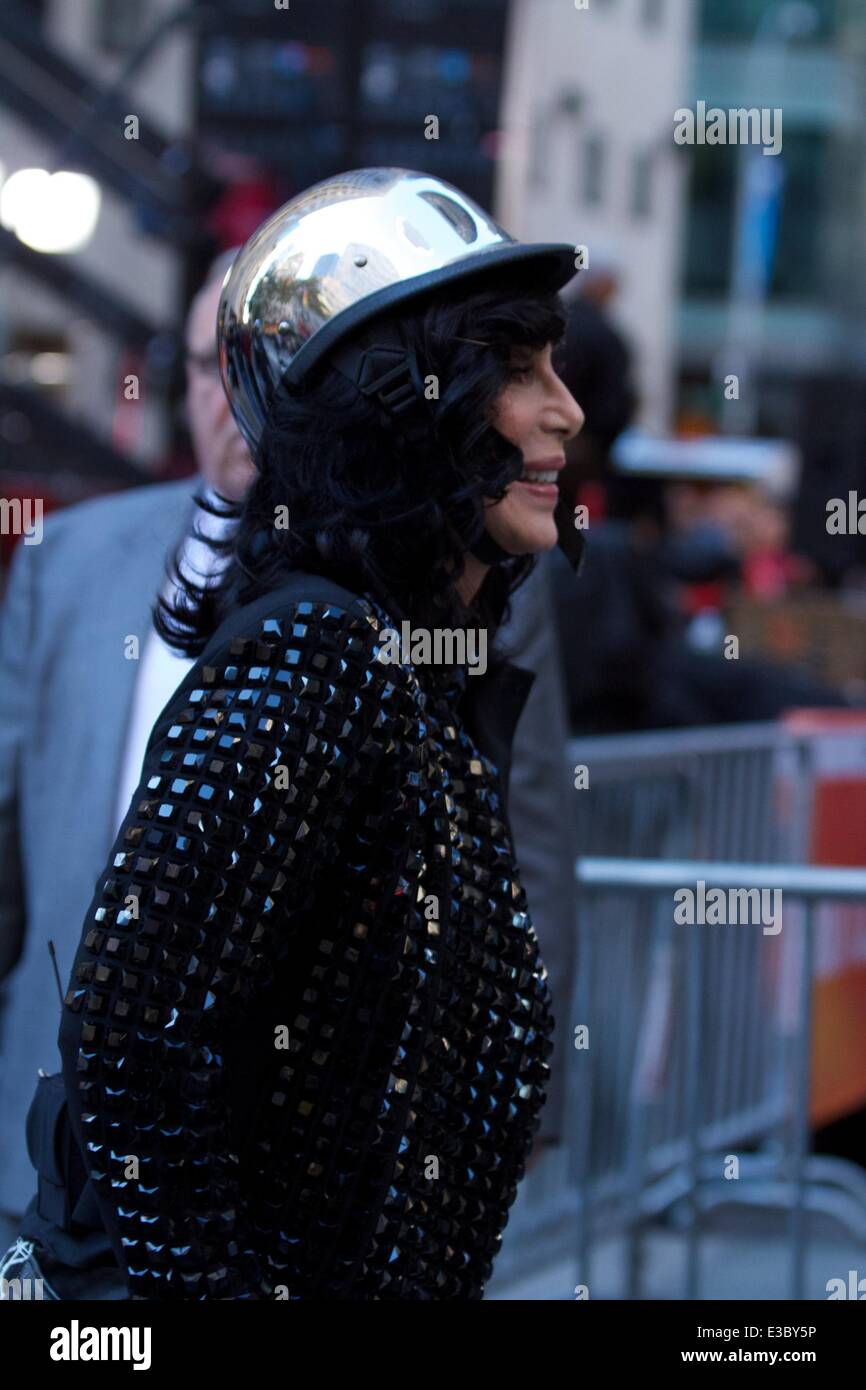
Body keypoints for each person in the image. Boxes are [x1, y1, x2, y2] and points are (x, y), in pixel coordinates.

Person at [14, 168, 584, 1300]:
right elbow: (131, 1046)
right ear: (406, 406)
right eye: (516, 372)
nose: (564, 409)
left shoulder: (405, 667)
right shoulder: (317, 653)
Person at [0, 247, 250, 1259]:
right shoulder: (69, 558)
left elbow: (522, 822)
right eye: (207, 367)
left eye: (263, 364)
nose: (233, 400)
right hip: (59, 1109)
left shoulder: (426, 586)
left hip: (268, 1134)